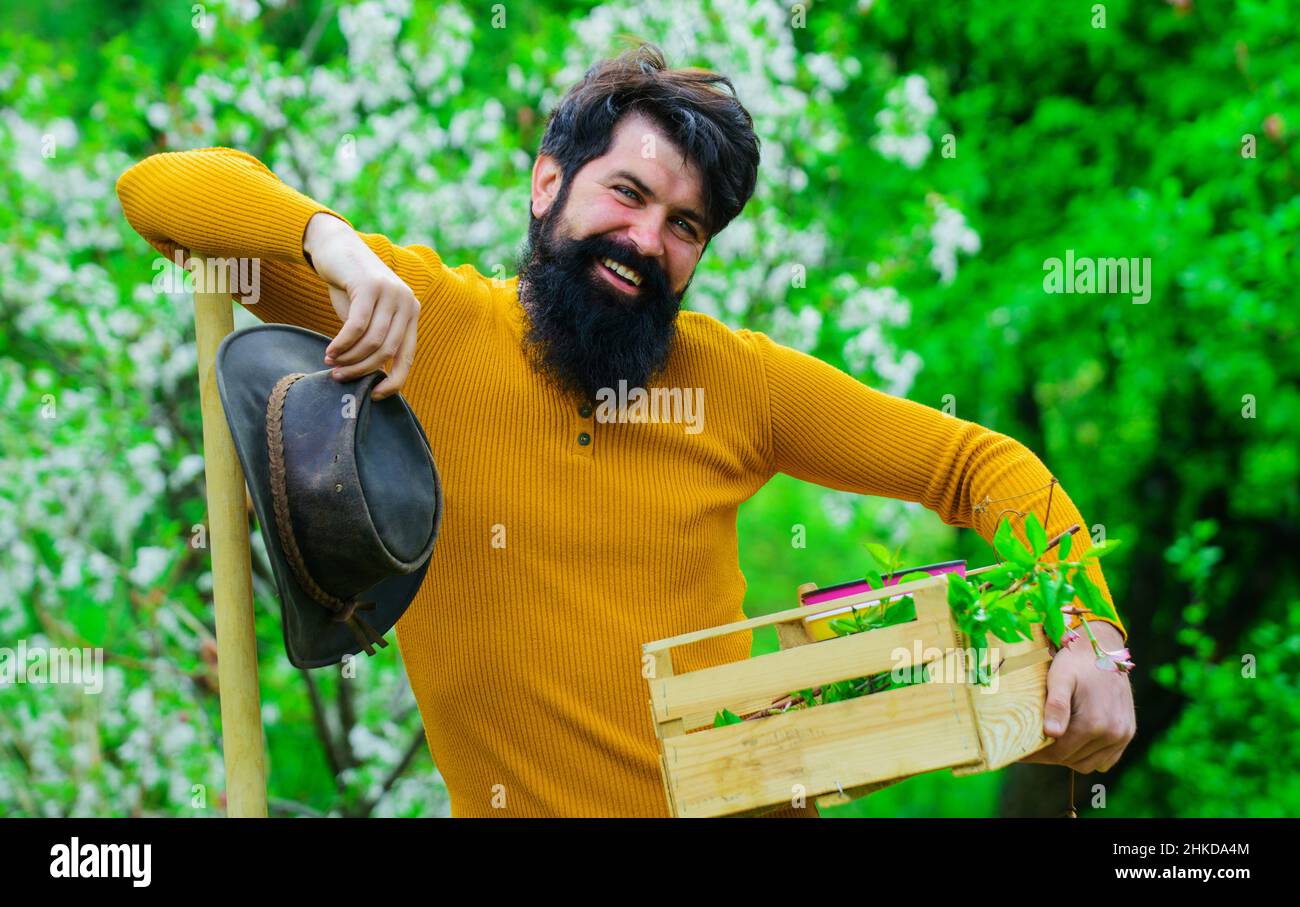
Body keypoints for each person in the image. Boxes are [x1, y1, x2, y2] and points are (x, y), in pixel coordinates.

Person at [116, 43, 1133, 818]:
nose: (647, 240)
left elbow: (975, 462)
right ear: (548, 183)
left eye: (684, 226)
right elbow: (160, 193)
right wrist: (328, 242)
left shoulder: (735, 383)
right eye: (629, 193)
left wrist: (1090, 628)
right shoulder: (421, 323)